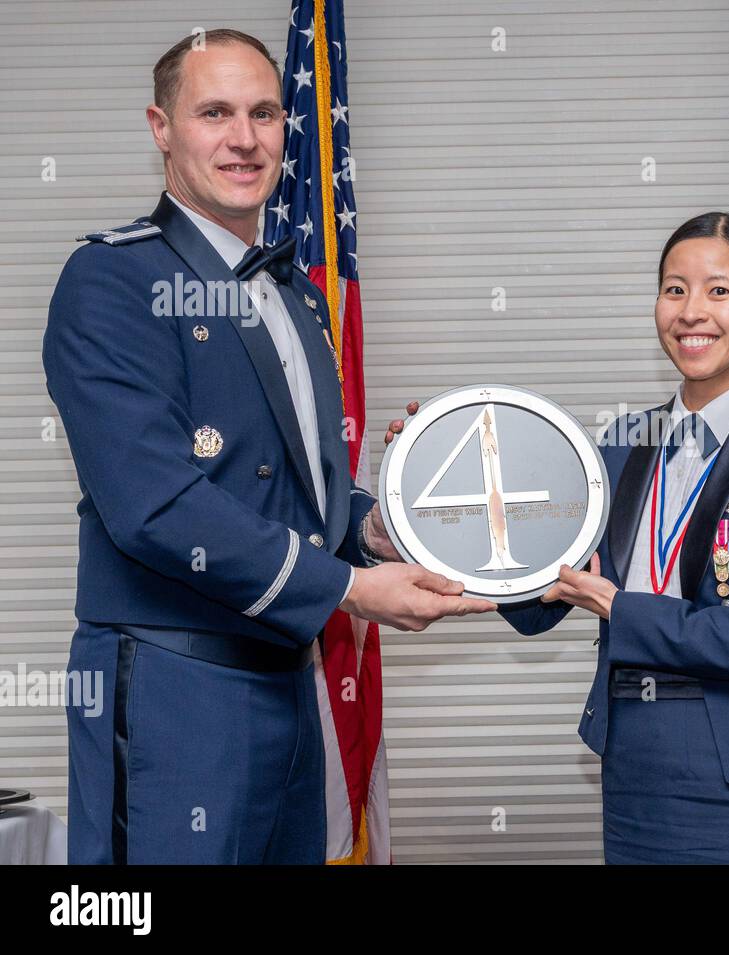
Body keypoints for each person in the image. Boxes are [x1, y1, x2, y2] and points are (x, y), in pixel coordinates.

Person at [43, 29, 494, 865]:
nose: (244, 139)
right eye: (214, 112)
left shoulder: (301, 297)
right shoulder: (110, 281)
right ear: (161, 127)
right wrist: (352, 588)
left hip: (289, 683)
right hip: (173, 691)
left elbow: (302, 493)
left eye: (263, 114)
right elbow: (155, 505)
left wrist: (377, 528)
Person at [389, 212, 729, 863]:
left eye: (719, 291)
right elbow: (540, 595)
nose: (691, 312)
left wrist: (616, 606)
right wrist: (429, 482)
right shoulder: (621, 444)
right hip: (633, 769)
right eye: (674, 288)